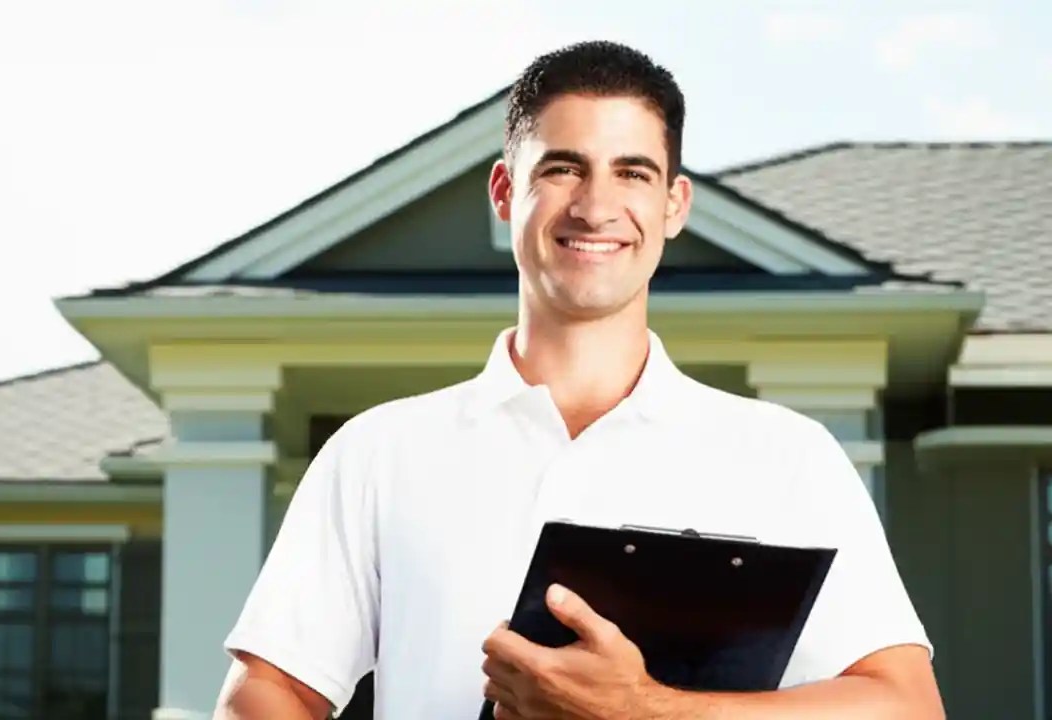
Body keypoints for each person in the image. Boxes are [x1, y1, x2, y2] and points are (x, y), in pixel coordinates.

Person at [213, 40, 944, 719]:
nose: (596, 207)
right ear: (504, 193)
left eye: (632, 172)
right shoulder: (379, 451)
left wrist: (647, 708)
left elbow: (907, 705)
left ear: (674, 205)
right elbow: (266, 691)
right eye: (563, 168)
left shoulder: (788, 457)